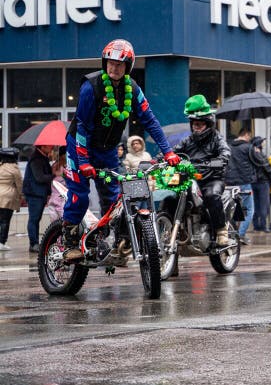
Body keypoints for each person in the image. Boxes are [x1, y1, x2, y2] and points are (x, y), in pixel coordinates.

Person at [62, 39, 180, 261]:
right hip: (80, 146)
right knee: (81, 196)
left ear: (128, 66)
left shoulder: (133, 89)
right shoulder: (91, 86)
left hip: (107, 150)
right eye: (110, 63)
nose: (114, 67)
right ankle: (68, 242)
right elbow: (83, 127)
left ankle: (111, 242)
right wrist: (84, 161)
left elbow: (150, 121)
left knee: (114, 197)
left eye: (120, 64)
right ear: (105, 63)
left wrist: (168, 152)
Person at [173, 94, 231, 245]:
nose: (196, 127)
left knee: (211, 196)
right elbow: (173, 152)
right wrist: (160, 158)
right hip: (191, 178)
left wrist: (220, 160)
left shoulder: (216, 138)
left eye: (199, 124)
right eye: (194, 124)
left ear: (207, 124)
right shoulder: (188, 140)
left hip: (211, 178)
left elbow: (225, 151)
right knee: (173, 195)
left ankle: (221, 231)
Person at [226, 128, 256, 245]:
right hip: (244, 182)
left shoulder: (228, 146)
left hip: (230, 182)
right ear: (247, 135)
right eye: (249, 136)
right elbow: (257, 161)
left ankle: (232, 234)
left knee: (232, 209)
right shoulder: (248, 148)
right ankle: (240, 235)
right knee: (249, 210)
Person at [22, 145, 54, 253]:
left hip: (39, 194)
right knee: (34, 219)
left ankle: (35, 243)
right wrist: (54, 175)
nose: (52, 147)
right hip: (34, 194)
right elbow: (39, 177)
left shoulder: (43, 157)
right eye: (50, 146)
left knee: (36, 219)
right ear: (43, 146)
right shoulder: (36, 159)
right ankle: (33, 243)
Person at [250, 136, 271, 233]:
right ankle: (263, 226)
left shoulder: (251, 154)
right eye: (263, 142)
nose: (264, 143)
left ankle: (256, 225)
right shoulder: (259, 154)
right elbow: (266, 167)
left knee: (255, 205)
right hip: (263, 182)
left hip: (253, 182)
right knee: (264, 205)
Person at [0, 148, 23, 251]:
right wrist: (21, 196)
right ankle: (2, 242)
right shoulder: (14, 168)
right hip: (8, 197)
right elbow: (19, 185)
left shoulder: (1, 166)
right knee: (5, 220)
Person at [46, 147, 67, 222]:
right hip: (57, 195)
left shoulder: (65, 166)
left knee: (61, 219)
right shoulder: (57, 166)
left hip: (62, 196)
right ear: (62, 155)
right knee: (57, 219)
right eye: (66, 154)